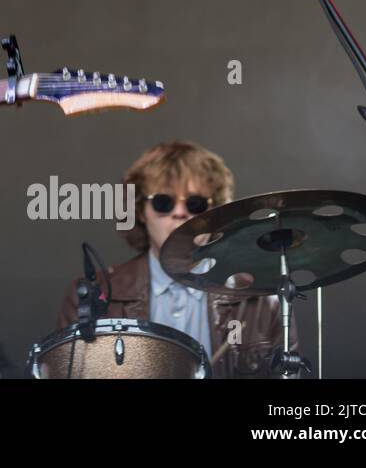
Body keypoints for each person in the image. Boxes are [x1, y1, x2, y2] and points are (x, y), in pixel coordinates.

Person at [57, 140, 300, 378]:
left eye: (196, 204)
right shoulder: (92, 296)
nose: (180, 212)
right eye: (164, 202)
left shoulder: (260, 300)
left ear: (216, 213)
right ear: (141, 211)